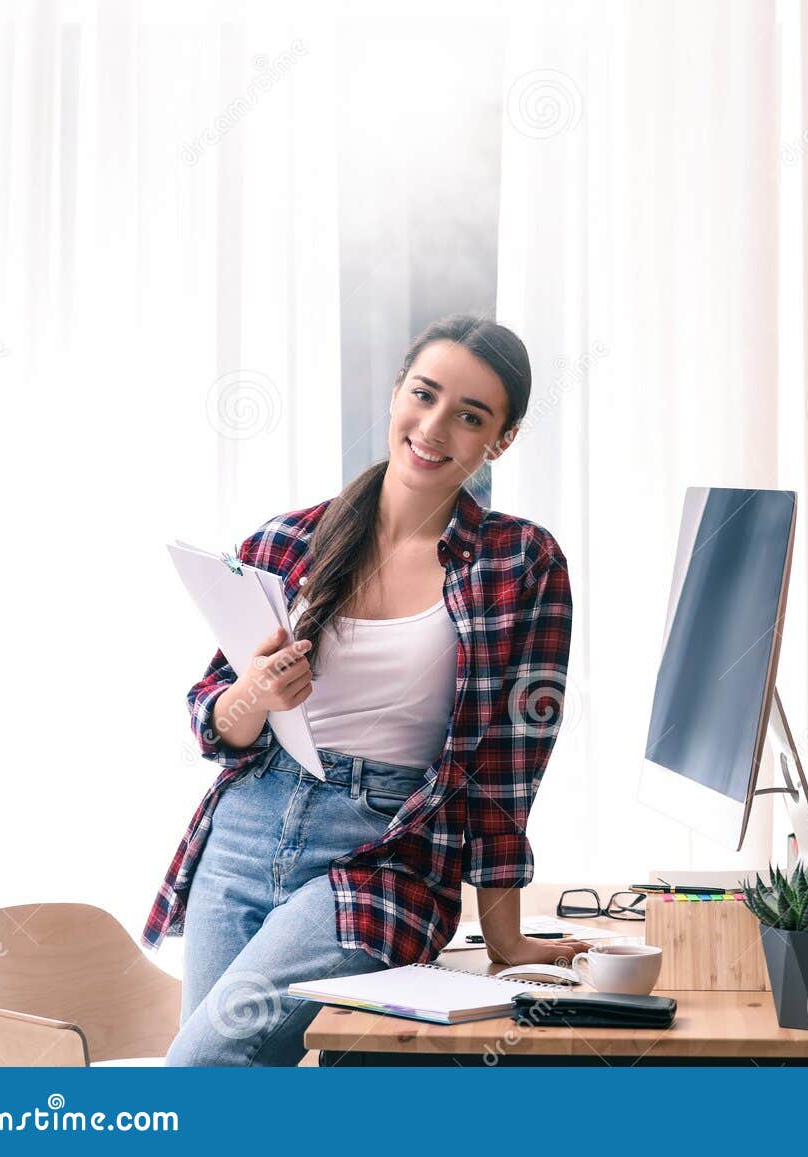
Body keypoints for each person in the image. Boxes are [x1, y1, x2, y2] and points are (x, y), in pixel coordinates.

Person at [147, 314, 587, 1065]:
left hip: (384, 854)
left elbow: (508, 767)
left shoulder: (521, 562)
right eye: (424, 394)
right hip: (244, 831)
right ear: (396, 393)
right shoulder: (284, 542)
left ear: (501, 440)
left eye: (470, 415)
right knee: (225, 1087)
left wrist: (505, 937)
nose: (434, 427)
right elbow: (213, 722)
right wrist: (255, 693)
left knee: (201, 1065)